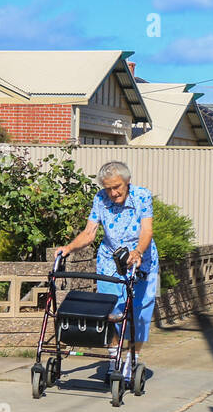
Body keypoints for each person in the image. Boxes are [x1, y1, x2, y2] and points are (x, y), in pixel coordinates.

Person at [55, 161, 158, 379]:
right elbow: (89, 232)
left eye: (117, 187)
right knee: (109, 311)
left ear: (127, 182)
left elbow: (147, 230)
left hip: (141, 260)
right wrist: (68, 248)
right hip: (109, 261)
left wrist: (138, 252)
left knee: (139, 312)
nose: (112, 192)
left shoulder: (142, 196)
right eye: (108, 188)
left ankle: (132, 358)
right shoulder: (100, 199)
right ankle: (114, 356)